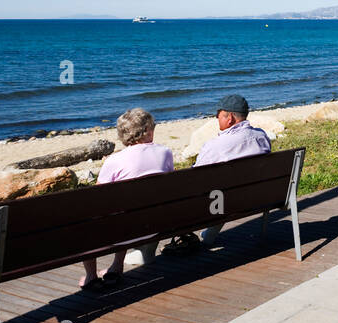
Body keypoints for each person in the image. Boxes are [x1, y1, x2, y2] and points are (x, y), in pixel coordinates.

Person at [163, 94, 271, 254]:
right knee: (225, 189)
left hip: (221, 203)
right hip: (259, 196)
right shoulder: (261, 136)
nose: (216, 119)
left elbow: (195, 176)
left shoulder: (216, 145)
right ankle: (209, 235)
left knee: (195, 191)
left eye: (218, 116)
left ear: (230, 118)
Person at [80, 107, 173, 291]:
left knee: (97, 217)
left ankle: (91, 276)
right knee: (126, 211)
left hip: (124, 230)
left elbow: (97, 199)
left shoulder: (114, 161)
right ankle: (117, 265)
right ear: (147, 131)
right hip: (156, 225)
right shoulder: (165, 152)